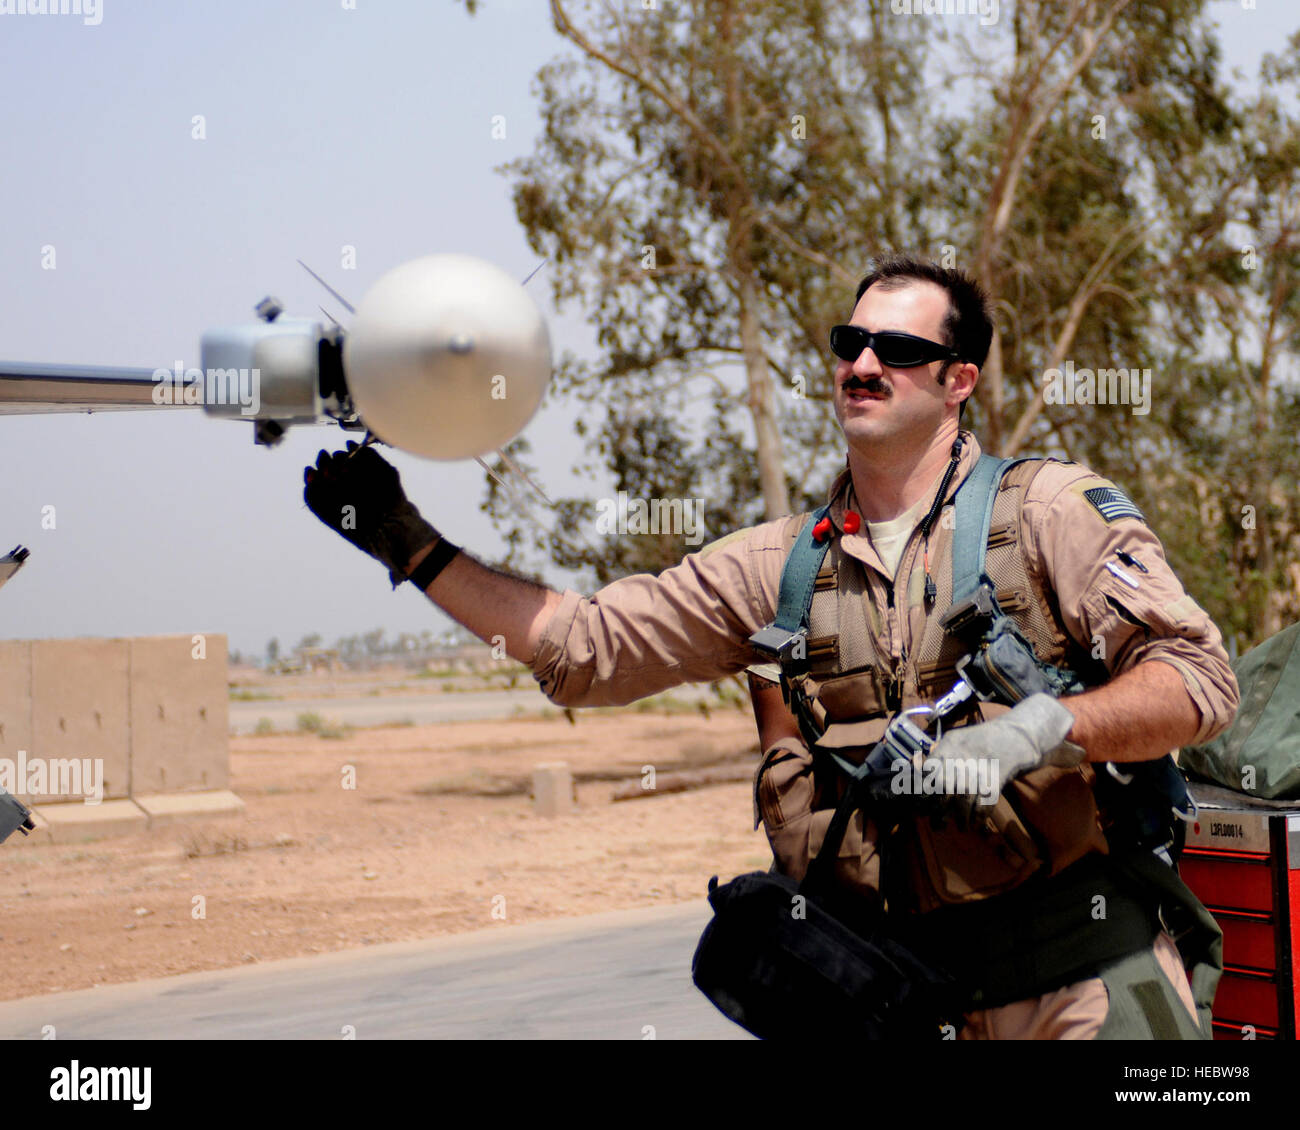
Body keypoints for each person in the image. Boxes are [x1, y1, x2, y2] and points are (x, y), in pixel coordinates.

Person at [303, 253, 1239, 1040]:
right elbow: (583, 650)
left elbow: (1199, 680)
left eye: (900, 350)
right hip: (905, 1001)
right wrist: (409, 543)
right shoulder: (778, 567)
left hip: (1081, 982)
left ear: (960, 380)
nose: (864, 364)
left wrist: (1036, 730)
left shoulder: (1048, 512)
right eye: (851, 344)